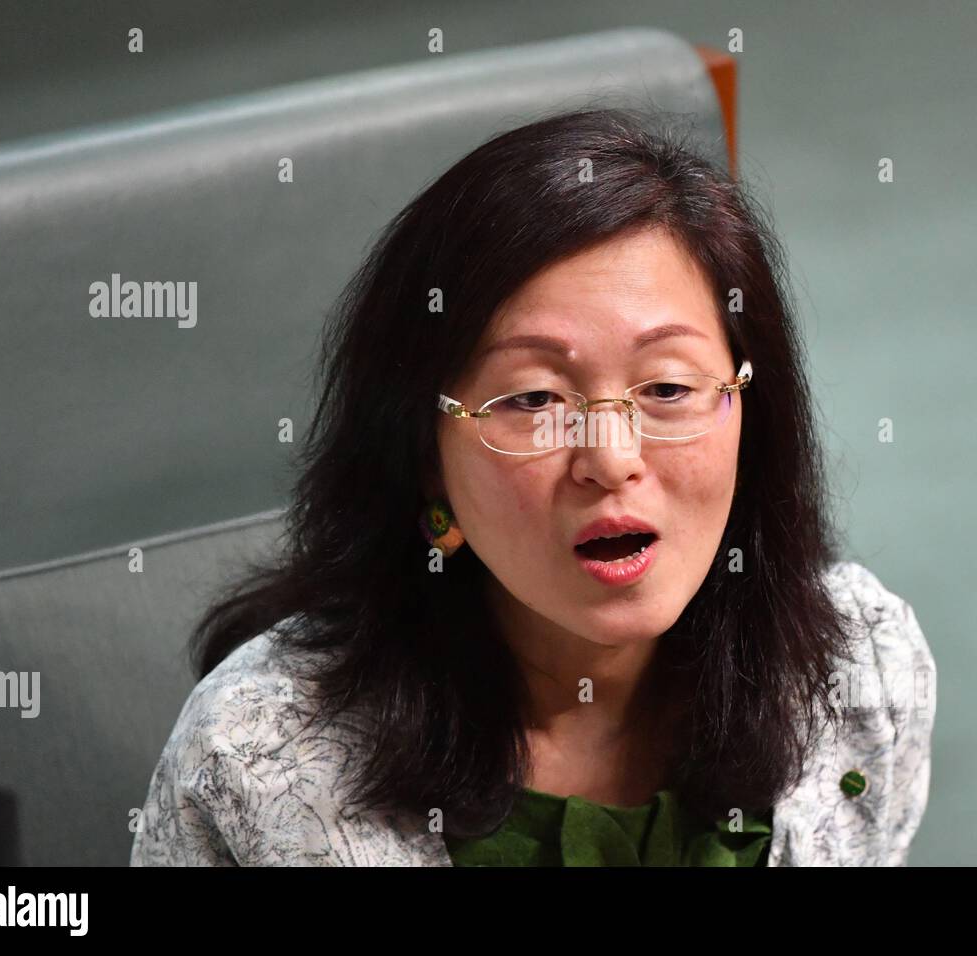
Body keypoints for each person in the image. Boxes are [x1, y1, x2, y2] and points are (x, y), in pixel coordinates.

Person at [129, 107, 936, 867]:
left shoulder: (860, 671)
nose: (611, 459)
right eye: (534, 400)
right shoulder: (256, 761)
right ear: (422, 455)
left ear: (749, 415)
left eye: (667, 389)